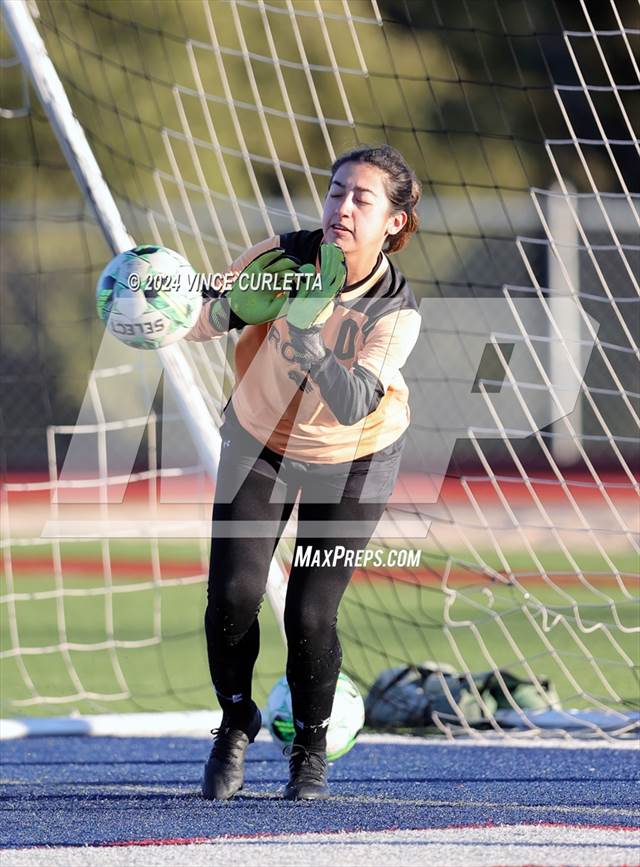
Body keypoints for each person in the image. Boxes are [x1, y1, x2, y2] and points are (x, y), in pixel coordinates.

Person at [186, 144, 422, 800]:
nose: (342, 206)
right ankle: (237, 721)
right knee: (232, 595)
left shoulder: (396, 308)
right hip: (259, 438)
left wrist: (309, 337)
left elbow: (351, 405)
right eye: (336, 190)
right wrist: (167, 306)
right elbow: (208, 319)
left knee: (312, 615)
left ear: (393, 222)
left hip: (355, 455)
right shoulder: (284, 256)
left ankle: (310, 752)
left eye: (362, 198)